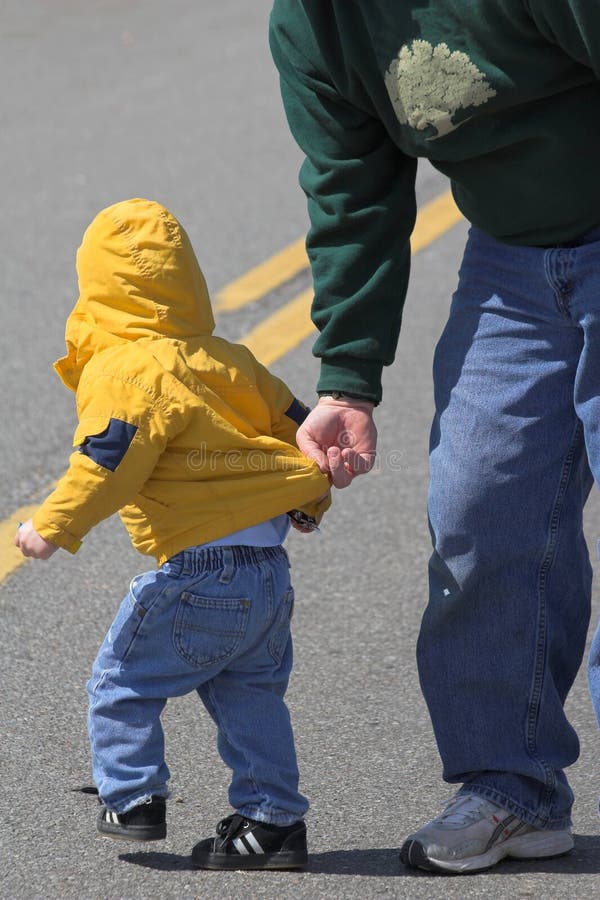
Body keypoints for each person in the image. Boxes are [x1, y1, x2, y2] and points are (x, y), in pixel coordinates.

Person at [269, 0, 600, 874]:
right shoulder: (312, 26)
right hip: (513, 261)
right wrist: (347, 374)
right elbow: (351, 186)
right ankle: (511, 789)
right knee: (479, 509)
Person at [14, 197, 330, 870]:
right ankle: (272, 825)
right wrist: (312, 501)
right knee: (250, 694)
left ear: (96, 288)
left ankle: (132, 798)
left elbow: (108, 461)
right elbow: (299, 429)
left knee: (123, 682)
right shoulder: (229, 359)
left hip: (201, 569)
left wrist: (51, 526)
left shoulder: (126, 369)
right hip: (268, 572)